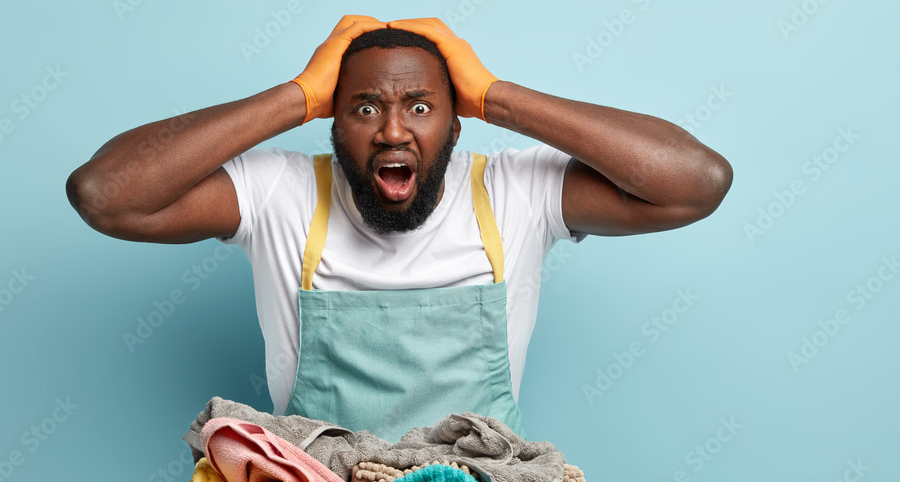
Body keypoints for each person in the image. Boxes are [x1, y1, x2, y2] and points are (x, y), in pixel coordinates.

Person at [65, 15, 733, 441]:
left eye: (420, 106)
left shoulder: (512, 191)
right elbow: (107, 196)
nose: (392, 129)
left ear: (456, 122)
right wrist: (297, 93)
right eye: (362, 108)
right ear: (331, 122)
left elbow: (695, 183)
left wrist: (495, 93)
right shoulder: (282, 194)